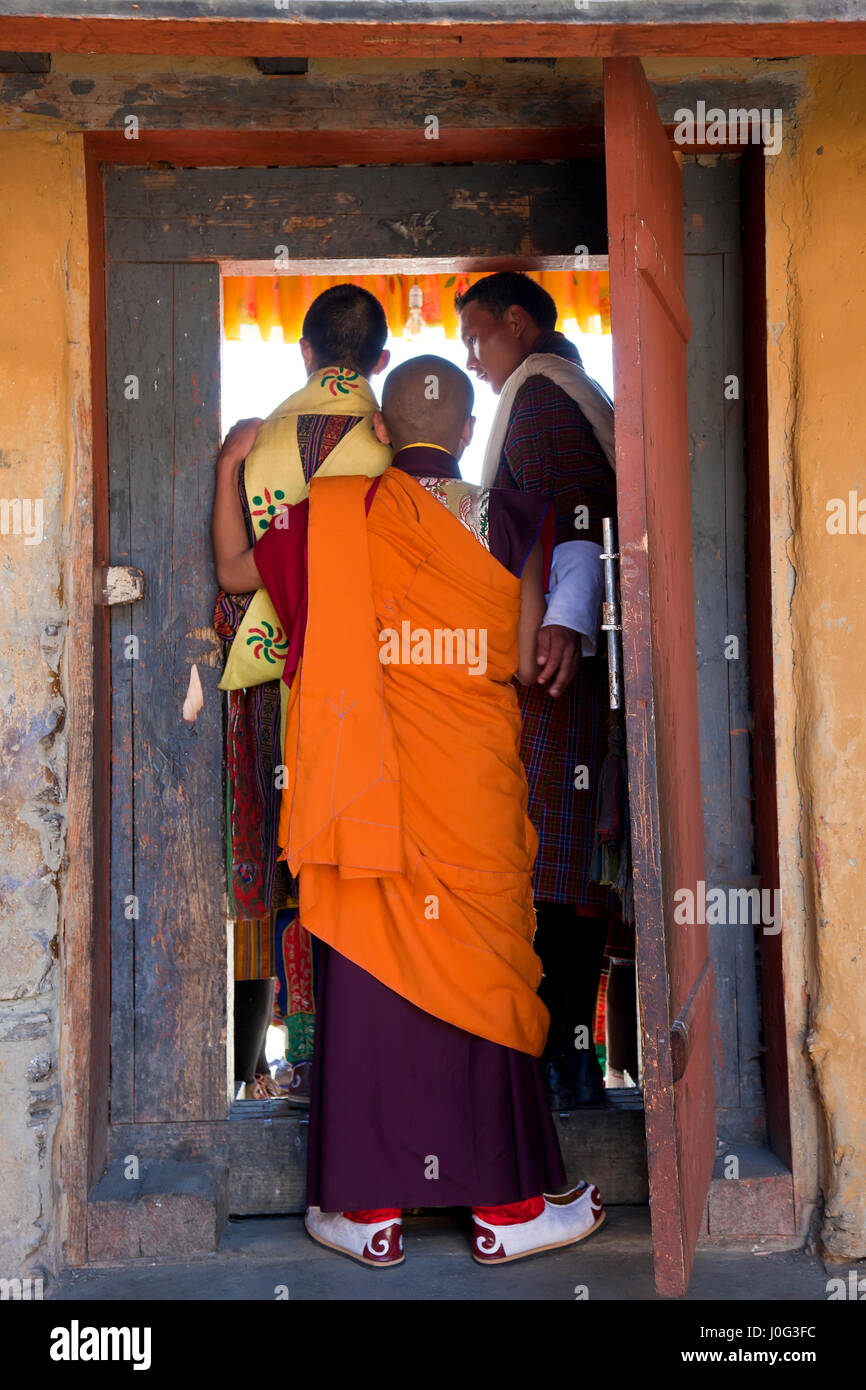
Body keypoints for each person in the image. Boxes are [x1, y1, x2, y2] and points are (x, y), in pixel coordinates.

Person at [212, 355, 605, 1267]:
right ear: (470, 433)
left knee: (375, 983)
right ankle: (507, 1210)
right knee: (485, 983)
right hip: (470, 795)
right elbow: (518, 661)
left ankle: (365, 1212)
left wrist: (234, 466)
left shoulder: (336, 518)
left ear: (380, 432)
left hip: (367, 800)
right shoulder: (515, 520)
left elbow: (237, 573)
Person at [456, 271, 633, 1109]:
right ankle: (566, 1059)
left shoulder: (542, 397)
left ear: (518, 325)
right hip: (570, 655)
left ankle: (559, 1059)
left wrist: (562, 620)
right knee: (568, 861)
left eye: (479, 337)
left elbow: (577, 517)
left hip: (561, 664)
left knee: (557, 861)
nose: (474, 359)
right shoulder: (561, 389)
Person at [212, 284, 392, 1099]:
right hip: (390, 692)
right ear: (380, 362)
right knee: (376, 877)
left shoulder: (262, 443)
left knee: (301, 872)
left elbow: (234, 576)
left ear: (305, 354)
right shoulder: (398, 443)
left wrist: (227, 468)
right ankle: (370, 1058)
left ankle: (306, 1061)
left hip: (291, 688)